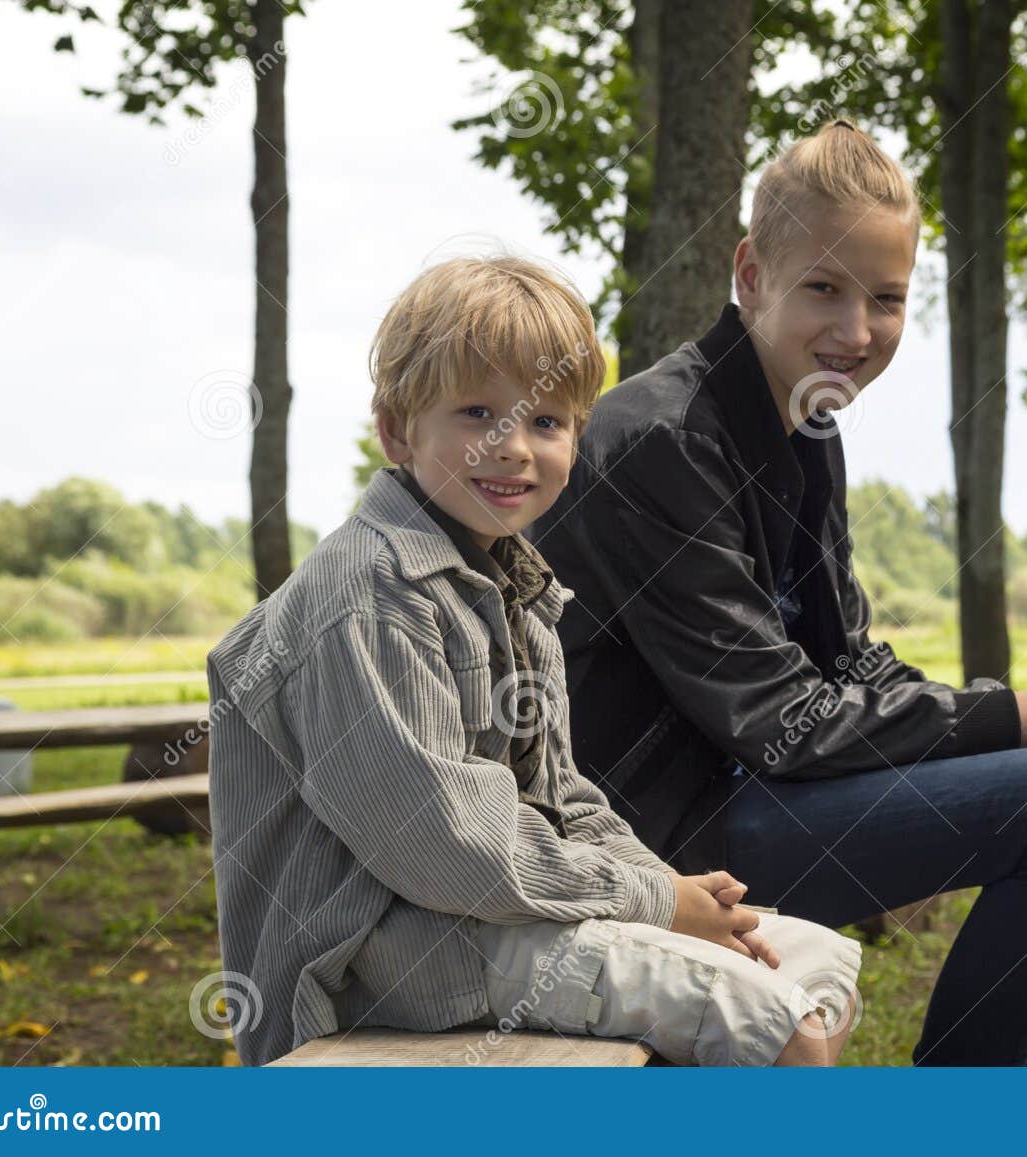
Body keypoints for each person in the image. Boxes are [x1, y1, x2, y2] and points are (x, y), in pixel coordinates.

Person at [528, 121, 1027, 1066]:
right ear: (751, 275)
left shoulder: (805, 423)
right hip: (645, 837)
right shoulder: (664, 439)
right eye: (823, 288)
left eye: (888, 299)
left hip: (741, 793)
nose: (857, 330)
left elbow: (851, 663)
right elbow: (780, 718)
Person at [205, 255, 861, 1067]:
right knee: (776, 1021)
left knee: (810, 966)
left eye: (546, 422)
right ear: (398, 428)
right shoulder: (372, 594)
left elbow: (561, 795)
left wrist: (667, 888)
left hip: (480, 922)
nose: (512, 447)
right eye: (478, 412)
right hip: (375, 956)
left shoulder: (514, 582)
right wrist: (656, 900)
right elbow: (449, 847)